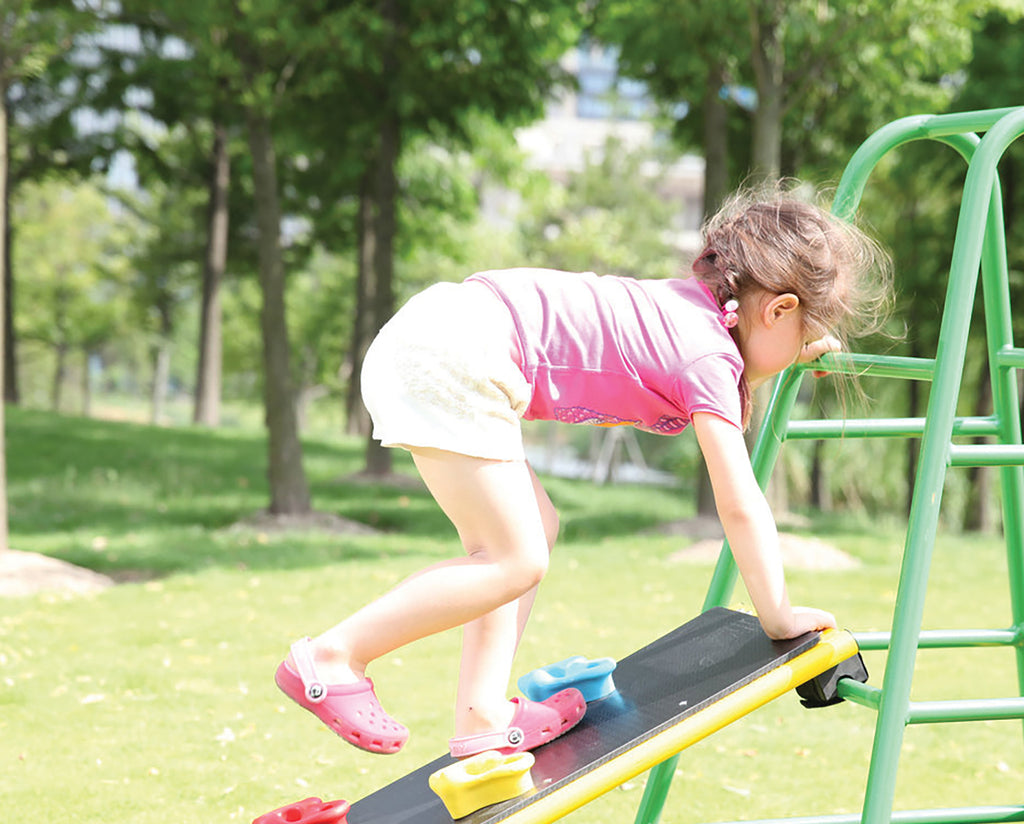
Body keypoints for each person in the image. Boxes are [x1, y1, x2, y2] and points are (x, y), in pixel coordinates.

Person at [274, 182, 892, 757]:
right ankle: (333, 656)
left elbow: (731, 365)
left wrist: (784, 355)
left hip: (437, 335)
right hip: (456, 355)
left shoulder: (691, 319)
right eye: (809, 327)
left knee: (527, 536)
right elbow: (738, 500)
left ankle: (482, 716)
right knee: (516, 558)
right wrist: (777, 613)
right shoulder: (704, 352)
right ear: (779, 310)